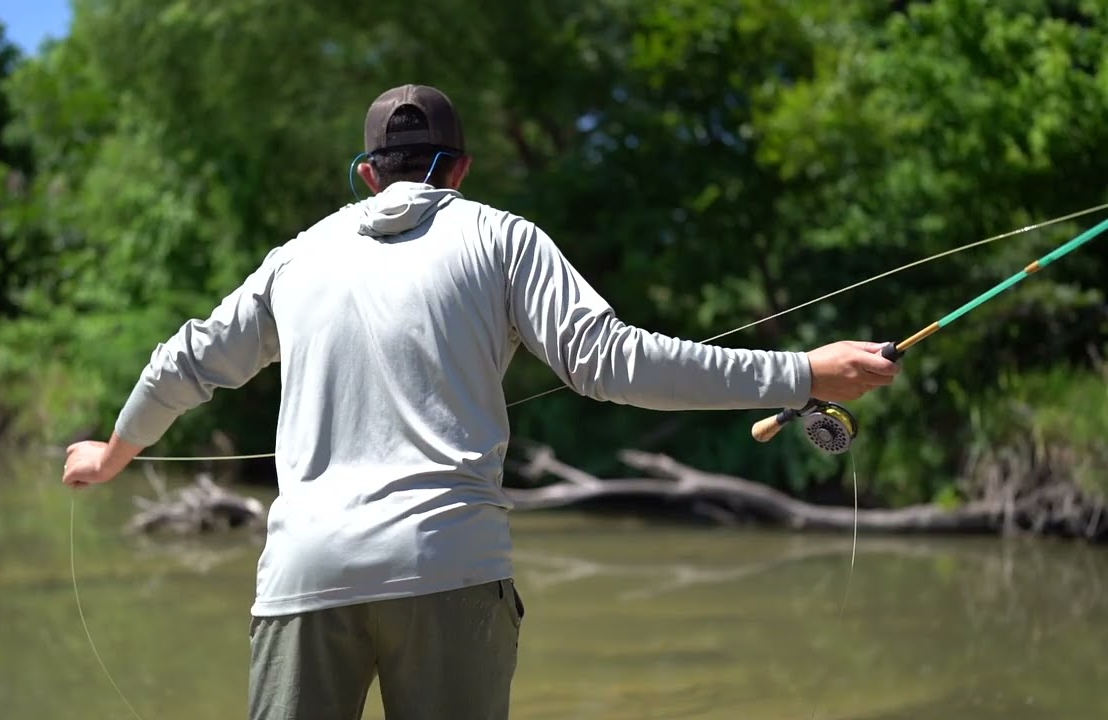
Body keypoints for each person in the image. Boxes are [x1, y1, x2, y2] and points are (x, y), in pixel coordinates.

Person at [61, 84, 901, 719]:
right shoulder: (502, 237)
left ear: (365, 174)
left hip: (304, 577)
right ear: (459, 168)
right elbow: (611, 362)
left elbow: (189, 359)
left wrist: (114, 453)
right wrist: (800, 373)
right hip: (450, 566)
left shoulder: (295, 258)